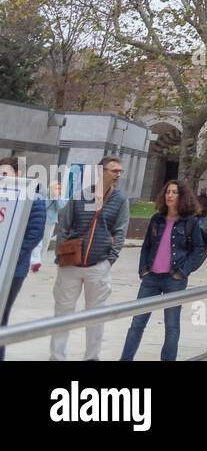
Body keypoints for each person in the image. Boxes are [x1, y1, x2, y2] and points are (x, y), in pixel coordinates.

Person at [50, 155, 129, 361]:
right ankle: (57, 356)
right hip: (71, 265)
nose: (118, 175)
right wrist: (62, 254)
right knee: (63, 312)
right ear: (101, 171)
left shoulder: (120, 200)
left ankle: (92, 357)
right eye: (114, 171)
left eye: (120, 171)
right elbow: (65, 225)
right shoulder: (80, 196)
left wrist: (110, 259)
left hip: (98, 265)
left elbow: (120, 231)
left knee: (96, 315)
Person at [120, 180, 207, 361]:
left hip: (174, 279)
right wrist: (143, 269)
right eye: (168, 192)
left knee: (171, 325)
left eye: (174, 192)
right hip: (151, 278)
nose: (170, 195)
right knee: (137, 322)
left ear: (182, 196)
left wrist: (182, 272)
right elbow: (146, 246)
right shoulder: (157, 219)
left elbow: (199, 249)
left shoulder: (190, 221)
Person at [0, 156, 47, 362]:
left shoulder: (34, 200)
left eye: (4, 174)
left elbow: (34, 234)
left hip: (13, 270)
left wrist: (9, 255)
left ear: (18, 175)